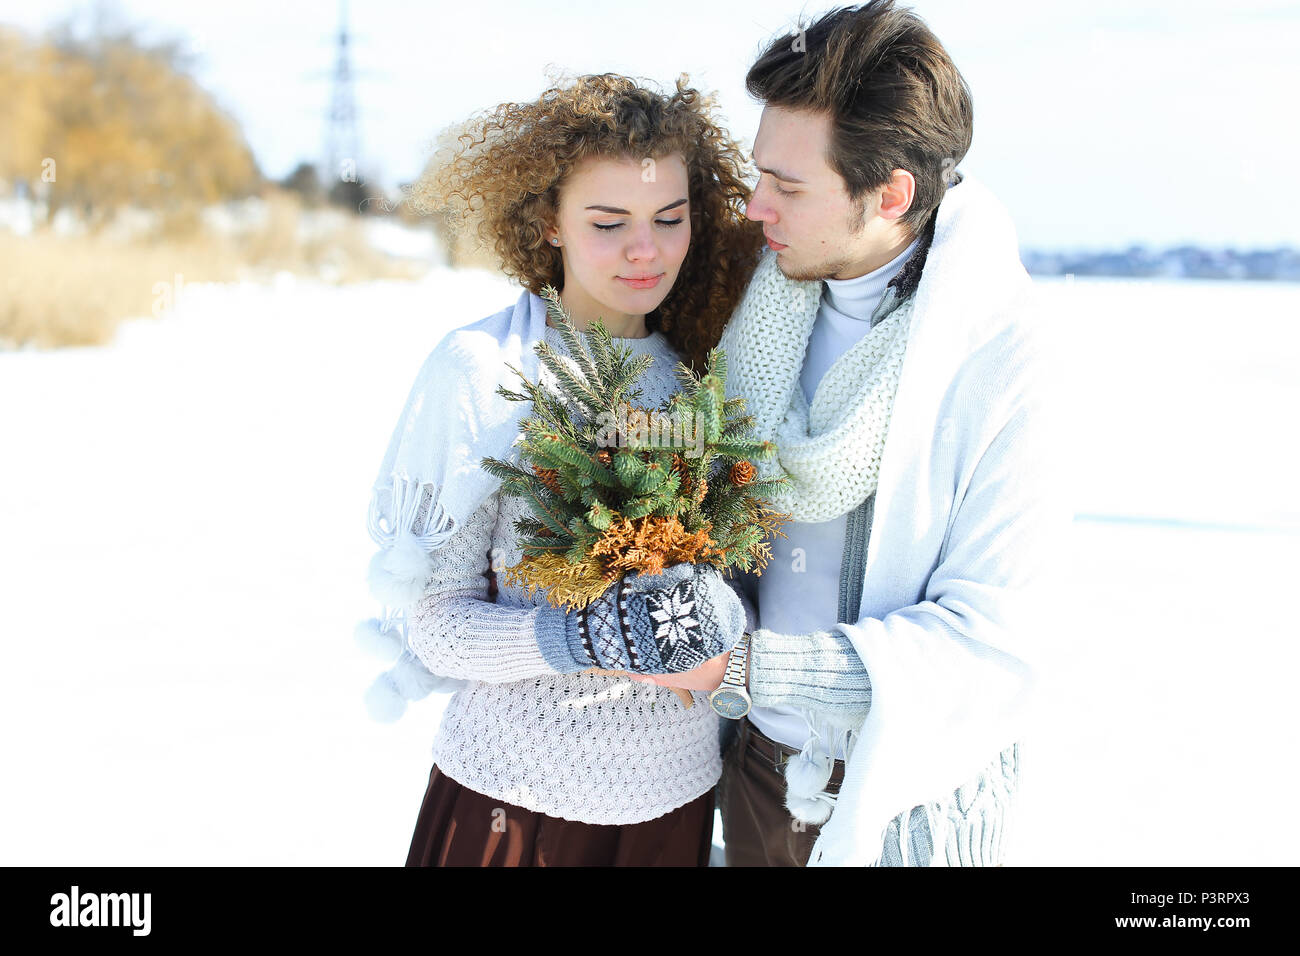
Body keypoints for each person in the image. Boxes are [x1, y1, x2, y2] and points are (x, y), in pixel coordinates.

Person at [636, 0, 1071, 866]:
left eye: (788, 188)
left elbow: (993, 640)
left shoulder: (1001, 359)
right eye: (763, 173)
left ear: (892, 194)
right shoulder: (750, 297)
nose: (756, 208)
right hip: (749, 770)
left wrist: (756, 671)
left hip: (897, 802)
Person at [356, 73, 764, 866]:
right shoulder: (484, 373)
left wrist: (716, 613)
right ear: (548, 221)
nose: (645, 249)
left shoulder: (707, 378)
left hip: (673, 805)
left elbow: (743, 594)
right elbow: (435, 625)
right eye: (608, 223)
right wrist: (580, 636)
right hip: (511, 802)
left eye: (669, 219)